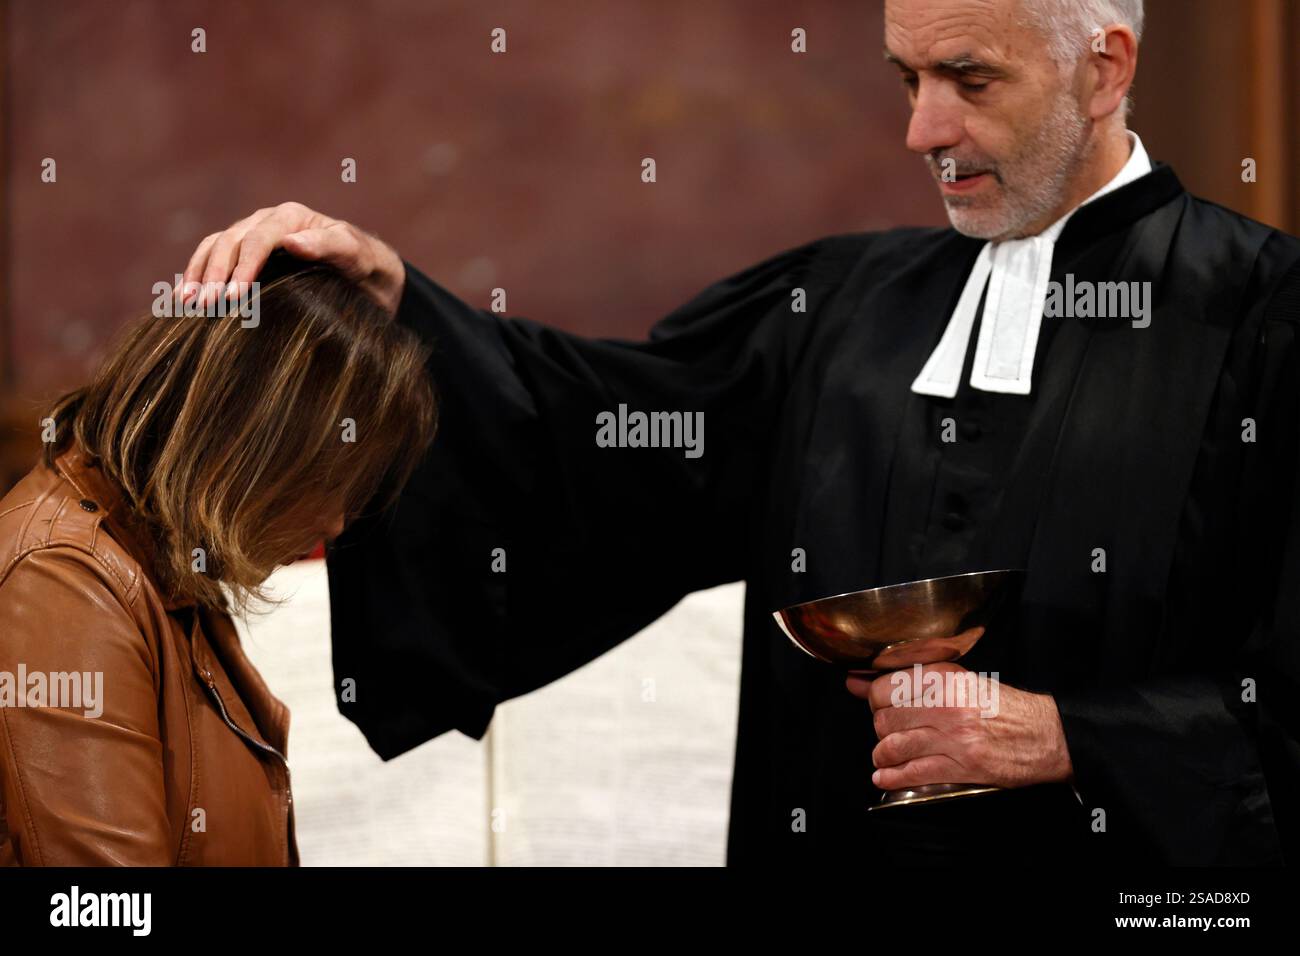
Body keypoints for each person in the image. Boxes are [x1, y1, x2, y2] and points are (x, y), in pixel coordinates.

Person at [184, 0, 1299, 865]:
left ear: (1105, 67)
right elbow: (594, 439)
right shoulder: (838, 307)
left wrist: (1069, 739)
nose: (923, 129)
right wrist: (401, 309)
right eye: (906, 78)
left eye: (969, 79)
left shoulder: (1264, 322)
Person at [0, 252, 436, 865]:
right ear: (246, 444)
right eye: (327, 480)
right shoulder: (64, 580)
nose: (337, 523)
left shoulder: (163, 554)